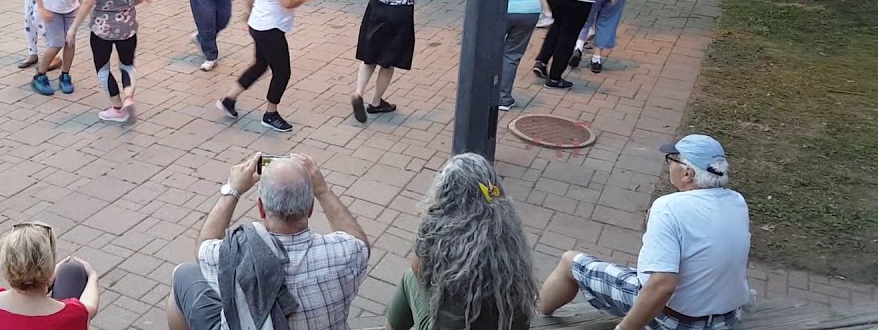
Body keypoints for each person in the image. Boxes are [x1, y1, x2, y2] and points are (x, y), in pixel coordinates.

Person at [539, 135, 750, 330]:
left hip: (676, 321)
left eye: (673, 159)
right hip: (727, 319)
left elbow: (662, 286)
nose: (669, 166)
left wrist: (624, 328)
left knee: (570, 261)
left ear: (688, 173)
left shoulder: (668, 207)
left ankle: (537, 316)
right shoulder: (737, 201)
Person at [167, 153, 370, 330]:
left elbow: (203, 246)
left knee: (183, 274)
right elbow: (360, 242)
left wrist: (232, 190)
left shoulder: (230, 256)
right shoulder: (346, 255)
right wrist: (322, 190)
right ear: (310, 208)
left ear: (261, 208)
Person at [385, 153, 535, 330]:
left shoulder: (434, 227)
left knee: (410, 278)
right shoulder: (510, 225)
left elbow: (419, 272)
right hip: (507, 323)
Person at [216, 0, 314, 133]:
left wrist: (249, 12)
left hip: (259, 23)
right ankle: (271, 114)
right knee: (282, 71)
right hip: (271, 27)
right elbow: (287, 1)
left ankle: (229, 99)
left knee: (260, 64)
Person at [67, 0, 148, 123]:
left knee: (103, 68)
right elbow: (139, 0)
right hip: (128, 27)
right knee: (127, 64)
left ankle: (117, 108)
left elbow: (88, 2)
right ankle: (129, 95)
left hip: (101, 28)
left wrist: (74, 27)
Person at [0, 222, 100, 330]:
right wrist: (92, 277)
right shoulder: (73, 316)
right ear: (49, 267)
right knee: (74, 270)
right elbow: (90, 308)